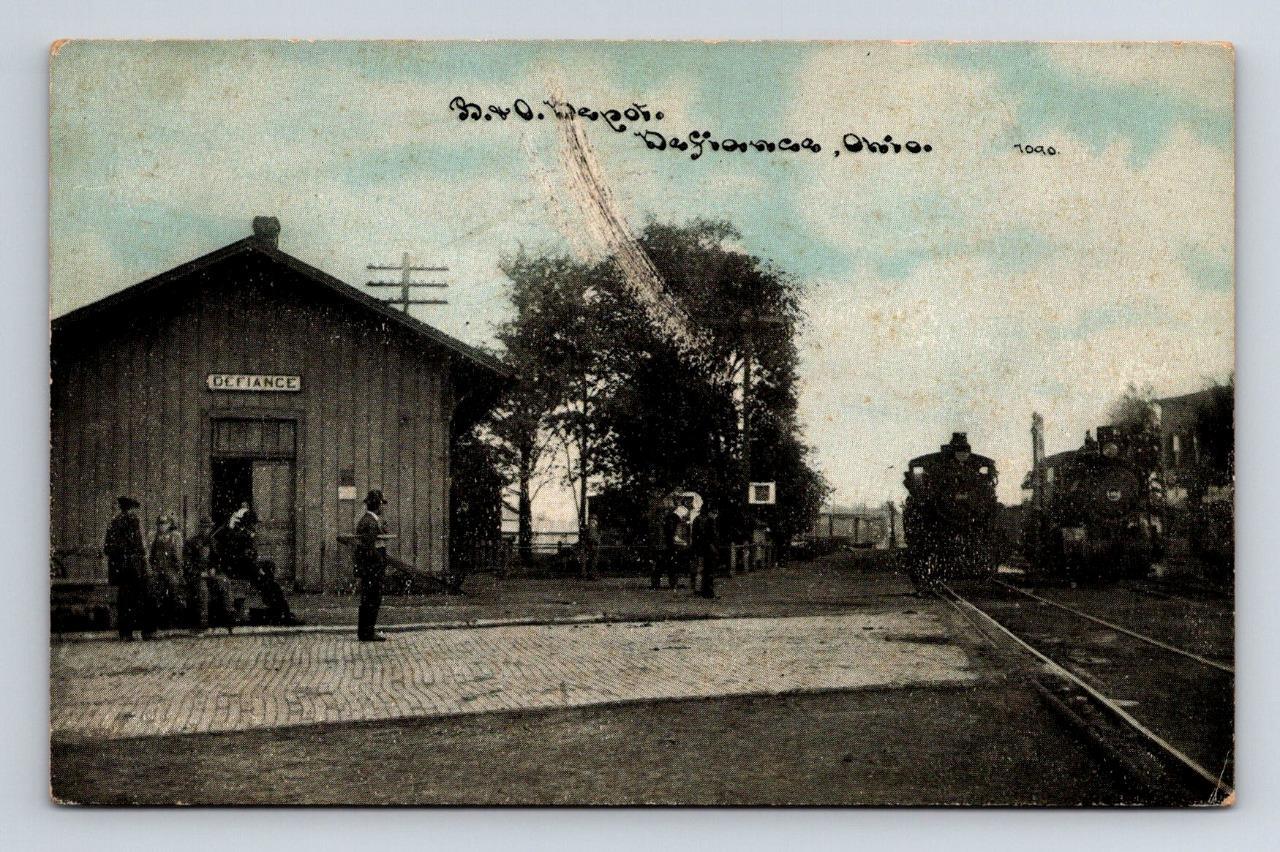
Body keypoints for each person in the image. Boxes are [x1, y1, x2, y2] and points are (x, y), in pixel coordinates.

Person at [223, 510, 302, 626]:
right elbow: (245, 559)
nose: (255, 526)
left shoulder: (239, 534)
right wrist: (259, 571)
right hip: (240, 570)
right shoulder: (241, 536)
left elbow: (249, 556)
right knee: (271, 585)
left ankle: (279, 611)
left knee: (268, 573)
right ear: (247, 523)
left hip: (243, 568)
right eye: (253, 523)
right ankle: (281, 612)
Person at [104, 496, 155, 640]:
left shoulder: (113, 523)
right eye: (133, 509)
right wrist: (142, 564)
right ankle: (147, 632)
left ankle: (125, 633)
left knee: (125, 599)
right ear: (130, 509)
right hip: (134, 568)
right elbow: (138, 547)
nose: (135, 512)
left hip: (121, 570)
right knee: (143, 597)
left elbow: (107, 548)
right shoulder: (133, 521)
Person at [184, 517, 235, 632]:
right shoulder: (191, 543)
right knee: (203, 591)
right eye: (204, 527)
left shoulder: (213, 542)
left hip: (210, 574)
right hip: (197, 575)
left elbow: (217, 560)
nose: (206, 530)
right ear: (200, 528)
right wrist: (198, 573)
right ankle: (203, 622)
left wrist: (213, 568)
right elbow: (187, 563)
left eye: (208, 527)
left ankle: (229, 618)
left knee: (225, 582)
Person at [354, 490, 390, 642]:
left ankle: (365, 631)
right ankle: (367, 632)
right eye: (382, 504)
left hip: (368, 567)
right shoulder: (370, 522)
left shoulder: (369, 520)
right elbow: (369, 547)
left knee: (368, 598)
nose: (383, 507)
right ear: (379, 504)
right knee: (372, 599)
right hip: (372, 567)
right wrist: (381, 560)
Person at [149, 513, 186, 628]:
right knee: (154, 591)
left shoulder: (175, 537)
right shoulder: (154, 537)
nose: (162, 526)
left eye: (164, 524)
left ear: (170, 524)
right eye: (160, 524)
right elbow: (151, 556)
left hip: (171, 569)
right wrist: (154, 569)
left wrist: (179, 570)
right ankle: (158, 620)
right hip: (158, 569)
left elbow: (178, 557)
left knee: (173, 587)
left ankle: (173, 618)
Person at [693, 506, 721, 599]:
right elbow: (711, 536)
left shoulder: (697, 520)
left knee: (700, 569)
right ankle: (708, 591)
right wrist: (713, 547)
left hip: (700, 548)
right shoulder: (710, 521)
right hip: (708, 549)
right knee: (709, 571)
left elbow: (695, 535)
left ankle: (698, 589)